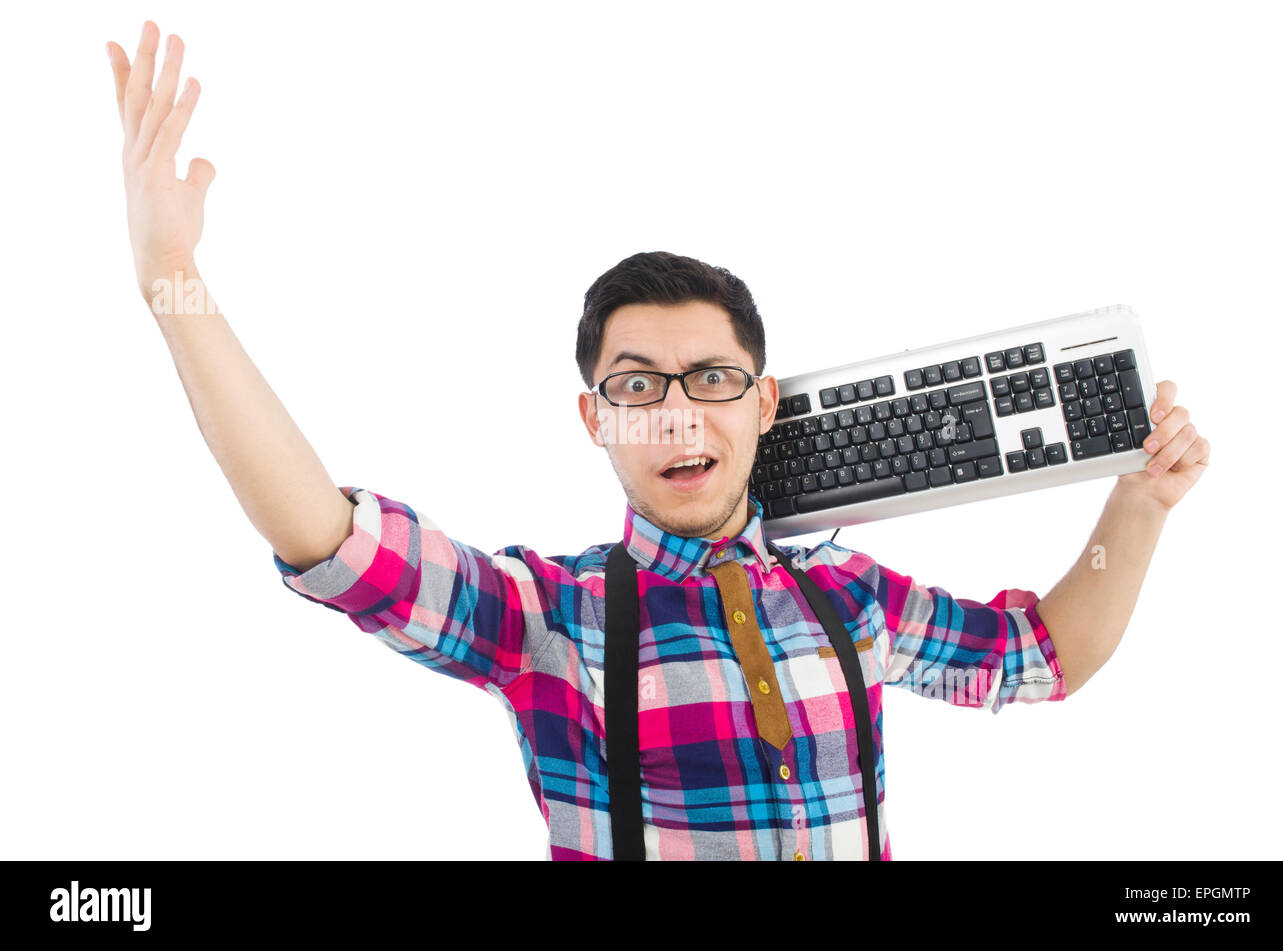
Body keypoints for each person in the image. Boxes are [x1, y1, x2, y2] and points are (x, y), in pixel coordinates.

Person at [107, 21, 1212, 860]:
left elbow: (1045, 658)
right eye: (637, 386)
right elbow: (331, 540)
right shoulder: (551, 618)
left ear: (764, 403)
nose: (679, 412)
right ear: (595, 419)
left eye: (713, 379)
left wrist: (1140, 507)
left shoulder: (853, 597)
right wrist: (176, 286)